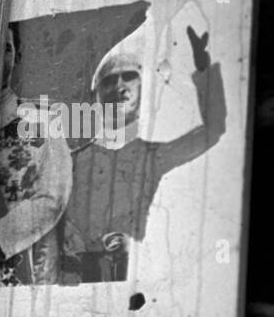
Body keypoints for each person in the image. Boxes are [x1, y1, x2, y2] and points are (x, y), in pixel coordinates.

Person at [61, 25, 224, 284]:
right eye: (109, 80)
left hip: (138, 278)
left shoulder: (151, 156)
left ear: (142, 88)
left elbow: (212, 131)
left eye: (128, 77)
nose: (119, 86)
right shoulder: (71, 160)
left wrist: (203, 68)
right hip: (76, 281)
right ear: (97, 94)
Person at [0, 22, 72, 286]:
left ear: (18, 57)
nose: (0, 58)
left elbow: (53, 194)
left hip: (16, 267)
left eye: (8, 49)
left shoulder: (41, 120)